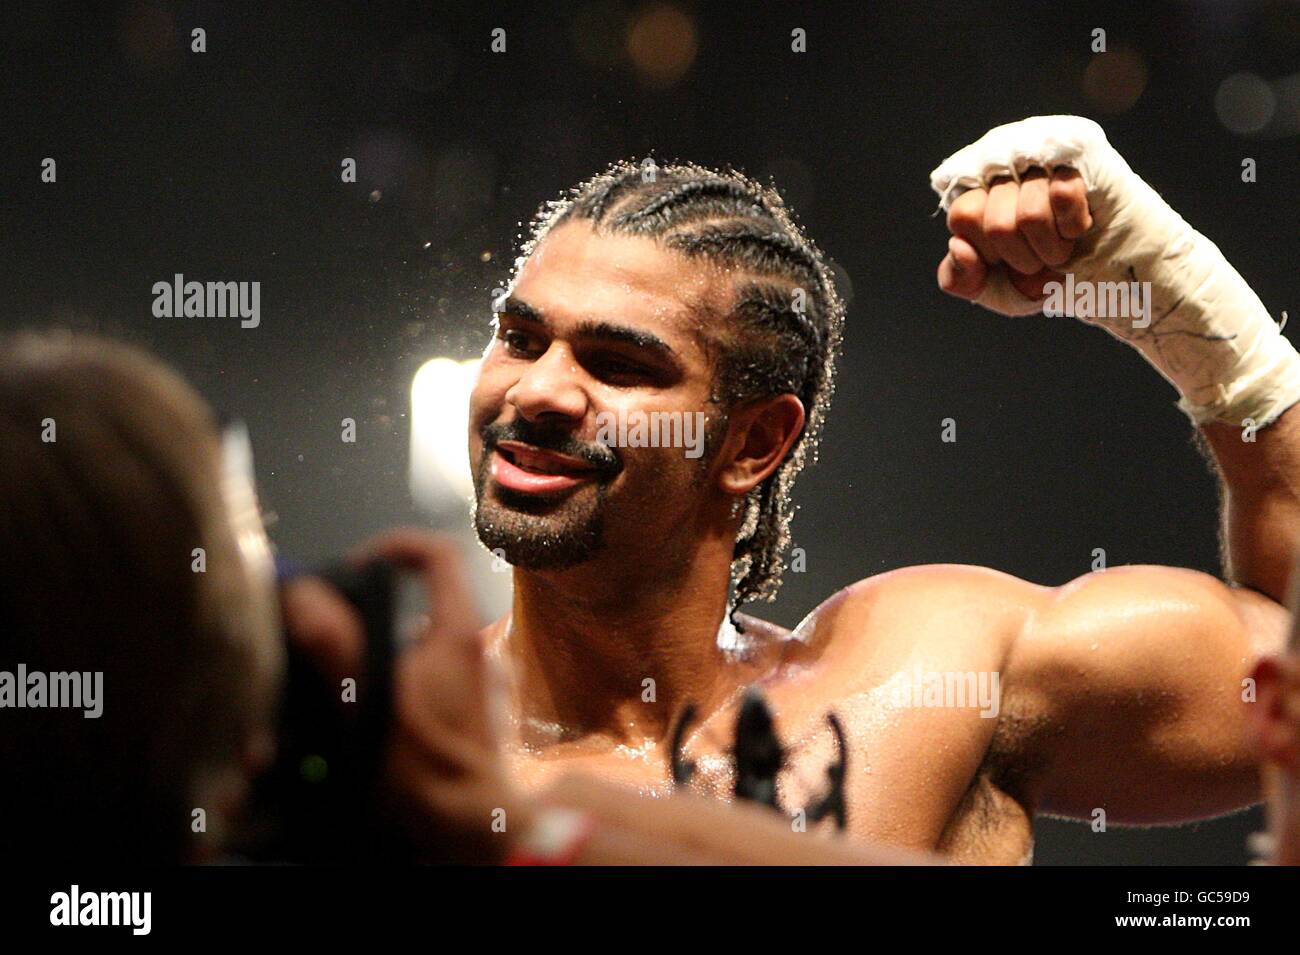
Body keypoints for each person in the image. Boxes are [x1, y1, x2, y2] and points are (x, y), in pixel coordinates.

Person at [451, 116, 1298, 862]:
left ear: (753, 443)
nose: (537, 392)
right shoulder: (385, 755)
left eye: (619, 364)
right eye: (522, 340)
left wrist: (1183, 303)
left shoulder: (928, 679)